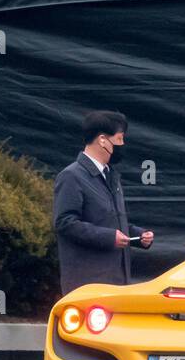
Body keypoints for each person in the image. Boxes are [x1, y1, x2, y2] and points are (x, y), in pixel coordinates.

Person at [54, 110, 153, 293]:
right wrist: (109, 237)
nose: (122, 145)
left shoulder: (111, 176)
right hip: (88, 283)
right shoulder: (71, 176)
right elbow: (65, 223)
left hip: (116, 281)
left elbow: (111, 221)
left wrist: (139, 235)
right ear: (102, 140)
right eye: (120, 138)